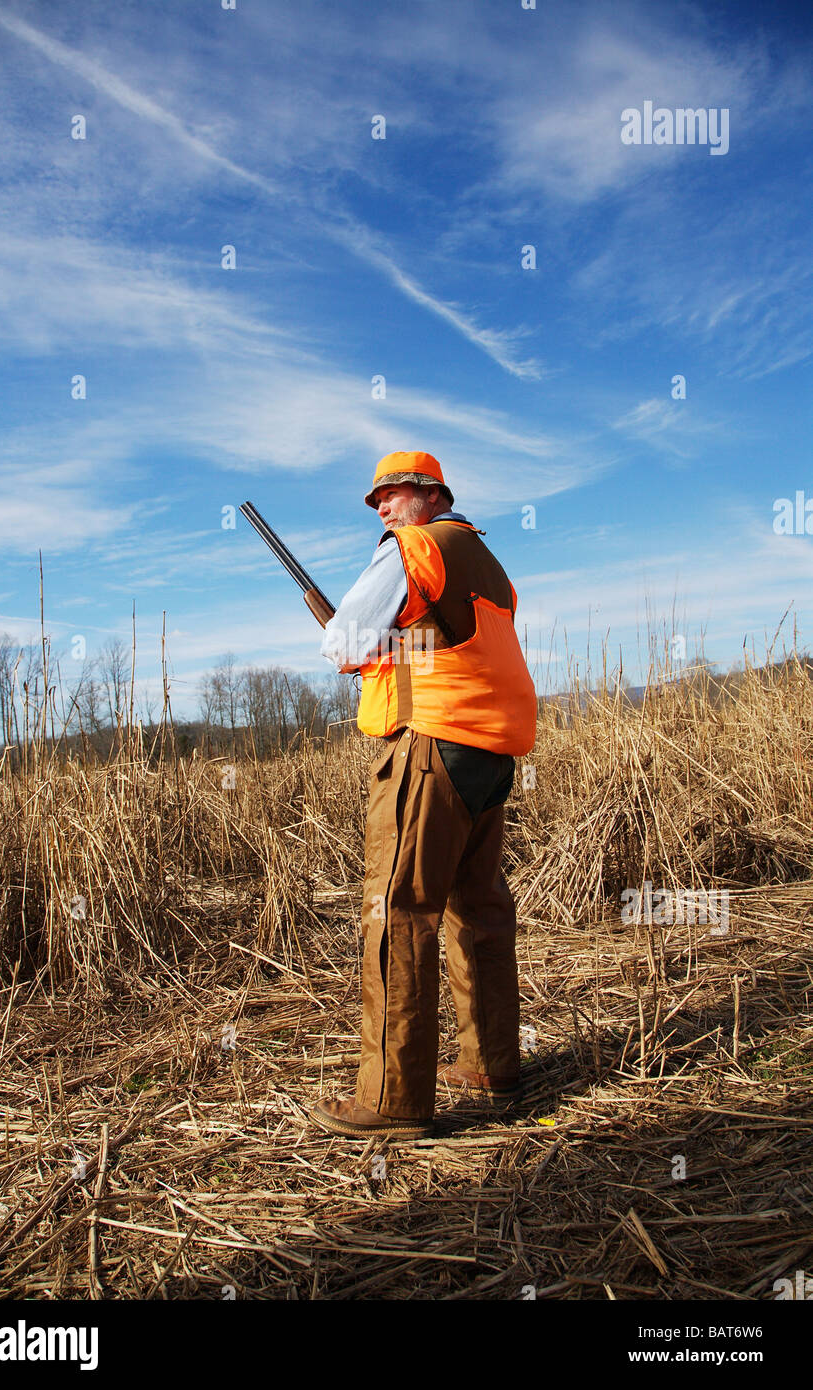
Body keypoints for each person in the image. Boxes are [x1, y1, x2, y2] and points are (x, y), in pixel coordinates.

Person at [310, 451, 537, 1139]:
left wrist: (350, 644)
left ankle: (393, 1100)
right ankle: (493, 1065)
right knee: (481, 910)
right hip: (492, 751)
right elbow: (450, 645)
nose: (381, 507)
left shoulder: (411, 547)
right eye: (376, 498)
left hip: (433, 749)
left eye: (394, 493)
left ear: (433, 494)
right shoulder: (487, 564)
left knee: (400, 913)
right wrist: (389, 653)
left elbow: (343, 642)